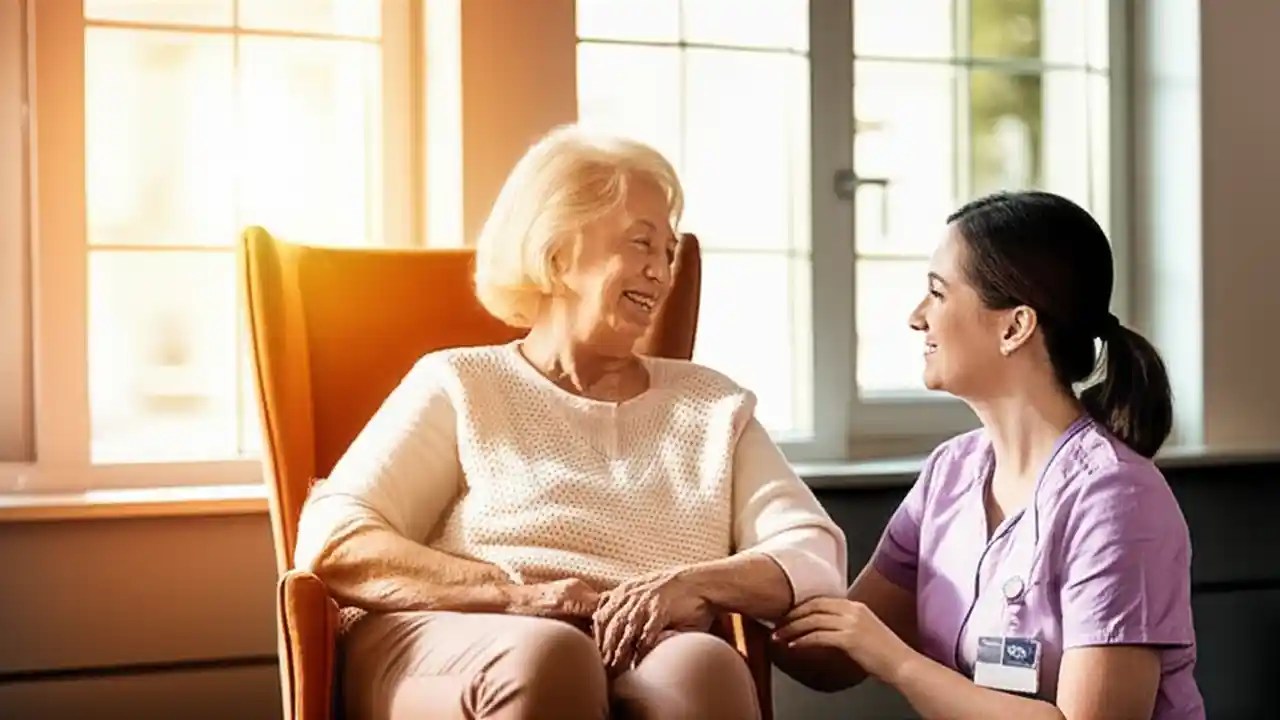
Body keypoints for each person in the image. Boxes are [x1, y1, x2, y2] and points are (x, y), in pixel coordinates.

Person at [292, 125, 848, 720]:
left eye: (668, 252)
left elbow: (811, 553)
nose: (662, 272)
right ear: (557, 254)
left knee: (704, 669)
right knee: (551, 655)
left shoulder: (712, 406)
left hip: (638, 641)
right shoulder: (461, 384)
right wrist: (515, 596)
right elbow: (336, 542)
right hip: (460, 636)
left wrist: (693, 585)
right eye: (641, 244)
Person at [771, 191, 1204, 719]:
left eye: (937, 293)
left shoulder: (1117, 500)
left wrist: (898, 662)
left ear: (1014, 327)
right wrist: (730, 579)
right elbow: (831, 658)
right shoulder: (949, 474)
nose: (916, 317)